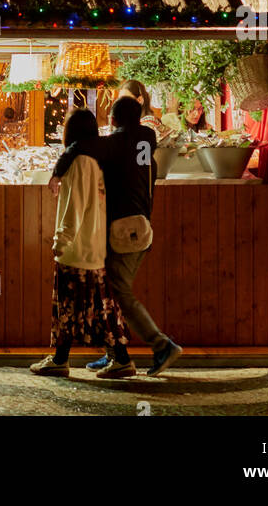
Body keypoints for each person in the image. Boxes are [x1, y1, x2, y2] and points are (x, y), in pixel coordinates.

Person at [49, 94, 182, 376]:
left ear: (114, 120)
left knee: (116, 292)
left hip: (126, 231)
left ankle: (160, 346)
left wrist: (57, 171)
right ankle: (114, 353)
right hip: (139, 228)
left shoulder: (120, 142)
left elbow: (81, 145)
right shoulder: (143, 146)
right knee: (104, 292)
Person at [30, 108, 133, 378]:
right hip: (94, 247)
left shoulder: (79, 162)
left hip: (77, 249)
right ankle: (115, 358)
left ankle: (64, 360)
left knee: (68, 306)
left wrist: (61, 239)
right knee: (99, 307)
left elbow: (75, 205)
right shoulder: (95, 161)